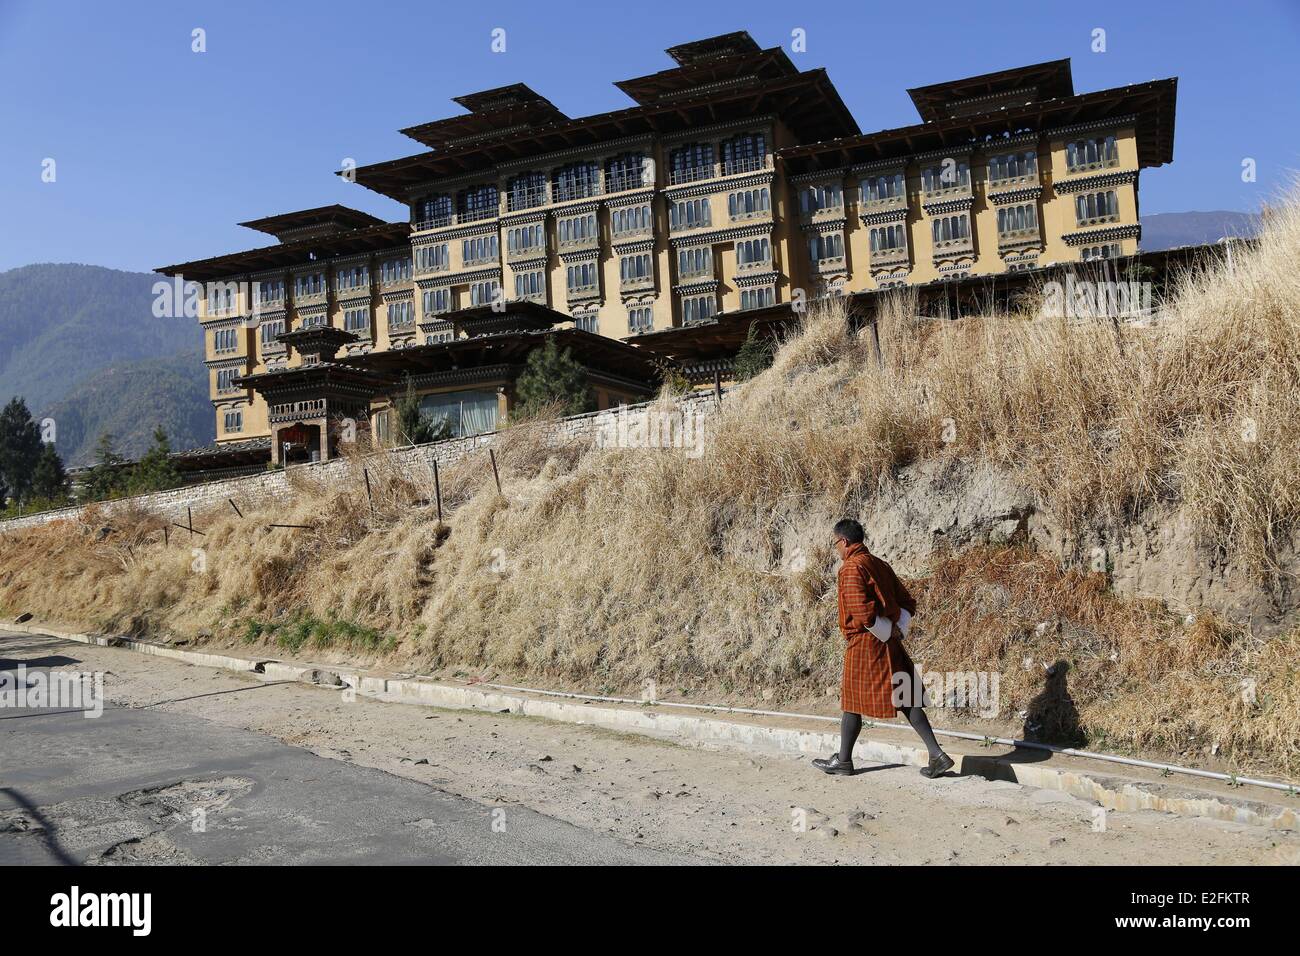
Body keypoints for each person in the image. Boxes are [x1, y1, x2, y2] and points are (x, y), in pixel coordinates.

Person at [812, 518, 955, 779]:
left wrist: (886, 630)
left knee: (852, 701)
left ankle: (844, 761)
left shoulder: (851, 568)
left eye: (836, 544)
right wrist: (896, 628)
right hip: (889, 640)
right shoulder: (879, 564)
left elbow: (862, 612)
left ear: (844, 542)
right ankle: (937, 755)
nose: (837, 550)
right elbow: (907, 601)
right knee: (905, 696)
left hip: (866, 643)